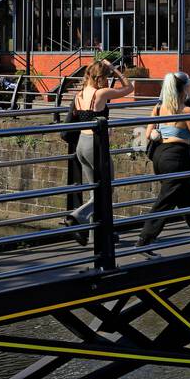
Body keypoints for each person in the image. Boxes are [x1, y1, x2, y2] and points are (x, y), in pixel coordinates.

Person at [137, 72, 190, 252]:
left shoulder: (158, 108)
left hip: (160, 156)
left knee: (185, 196)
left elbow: (147, 134)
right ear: (185, 88)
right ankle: (144, 239)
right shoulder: (187, 111)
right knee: (166, 200)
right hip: (177, 157)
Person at [68, 60, 135, 242]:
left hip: (81, 145)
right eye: (107, 76)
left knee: (94, 191)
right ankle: (78, 215)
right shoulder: (101, 93)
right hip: (95, 146)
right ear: (102, 77)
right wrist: (116, 70)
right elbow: (129, 89)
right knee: (107, 189)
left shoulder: (79, 94)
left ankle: (96, 235)